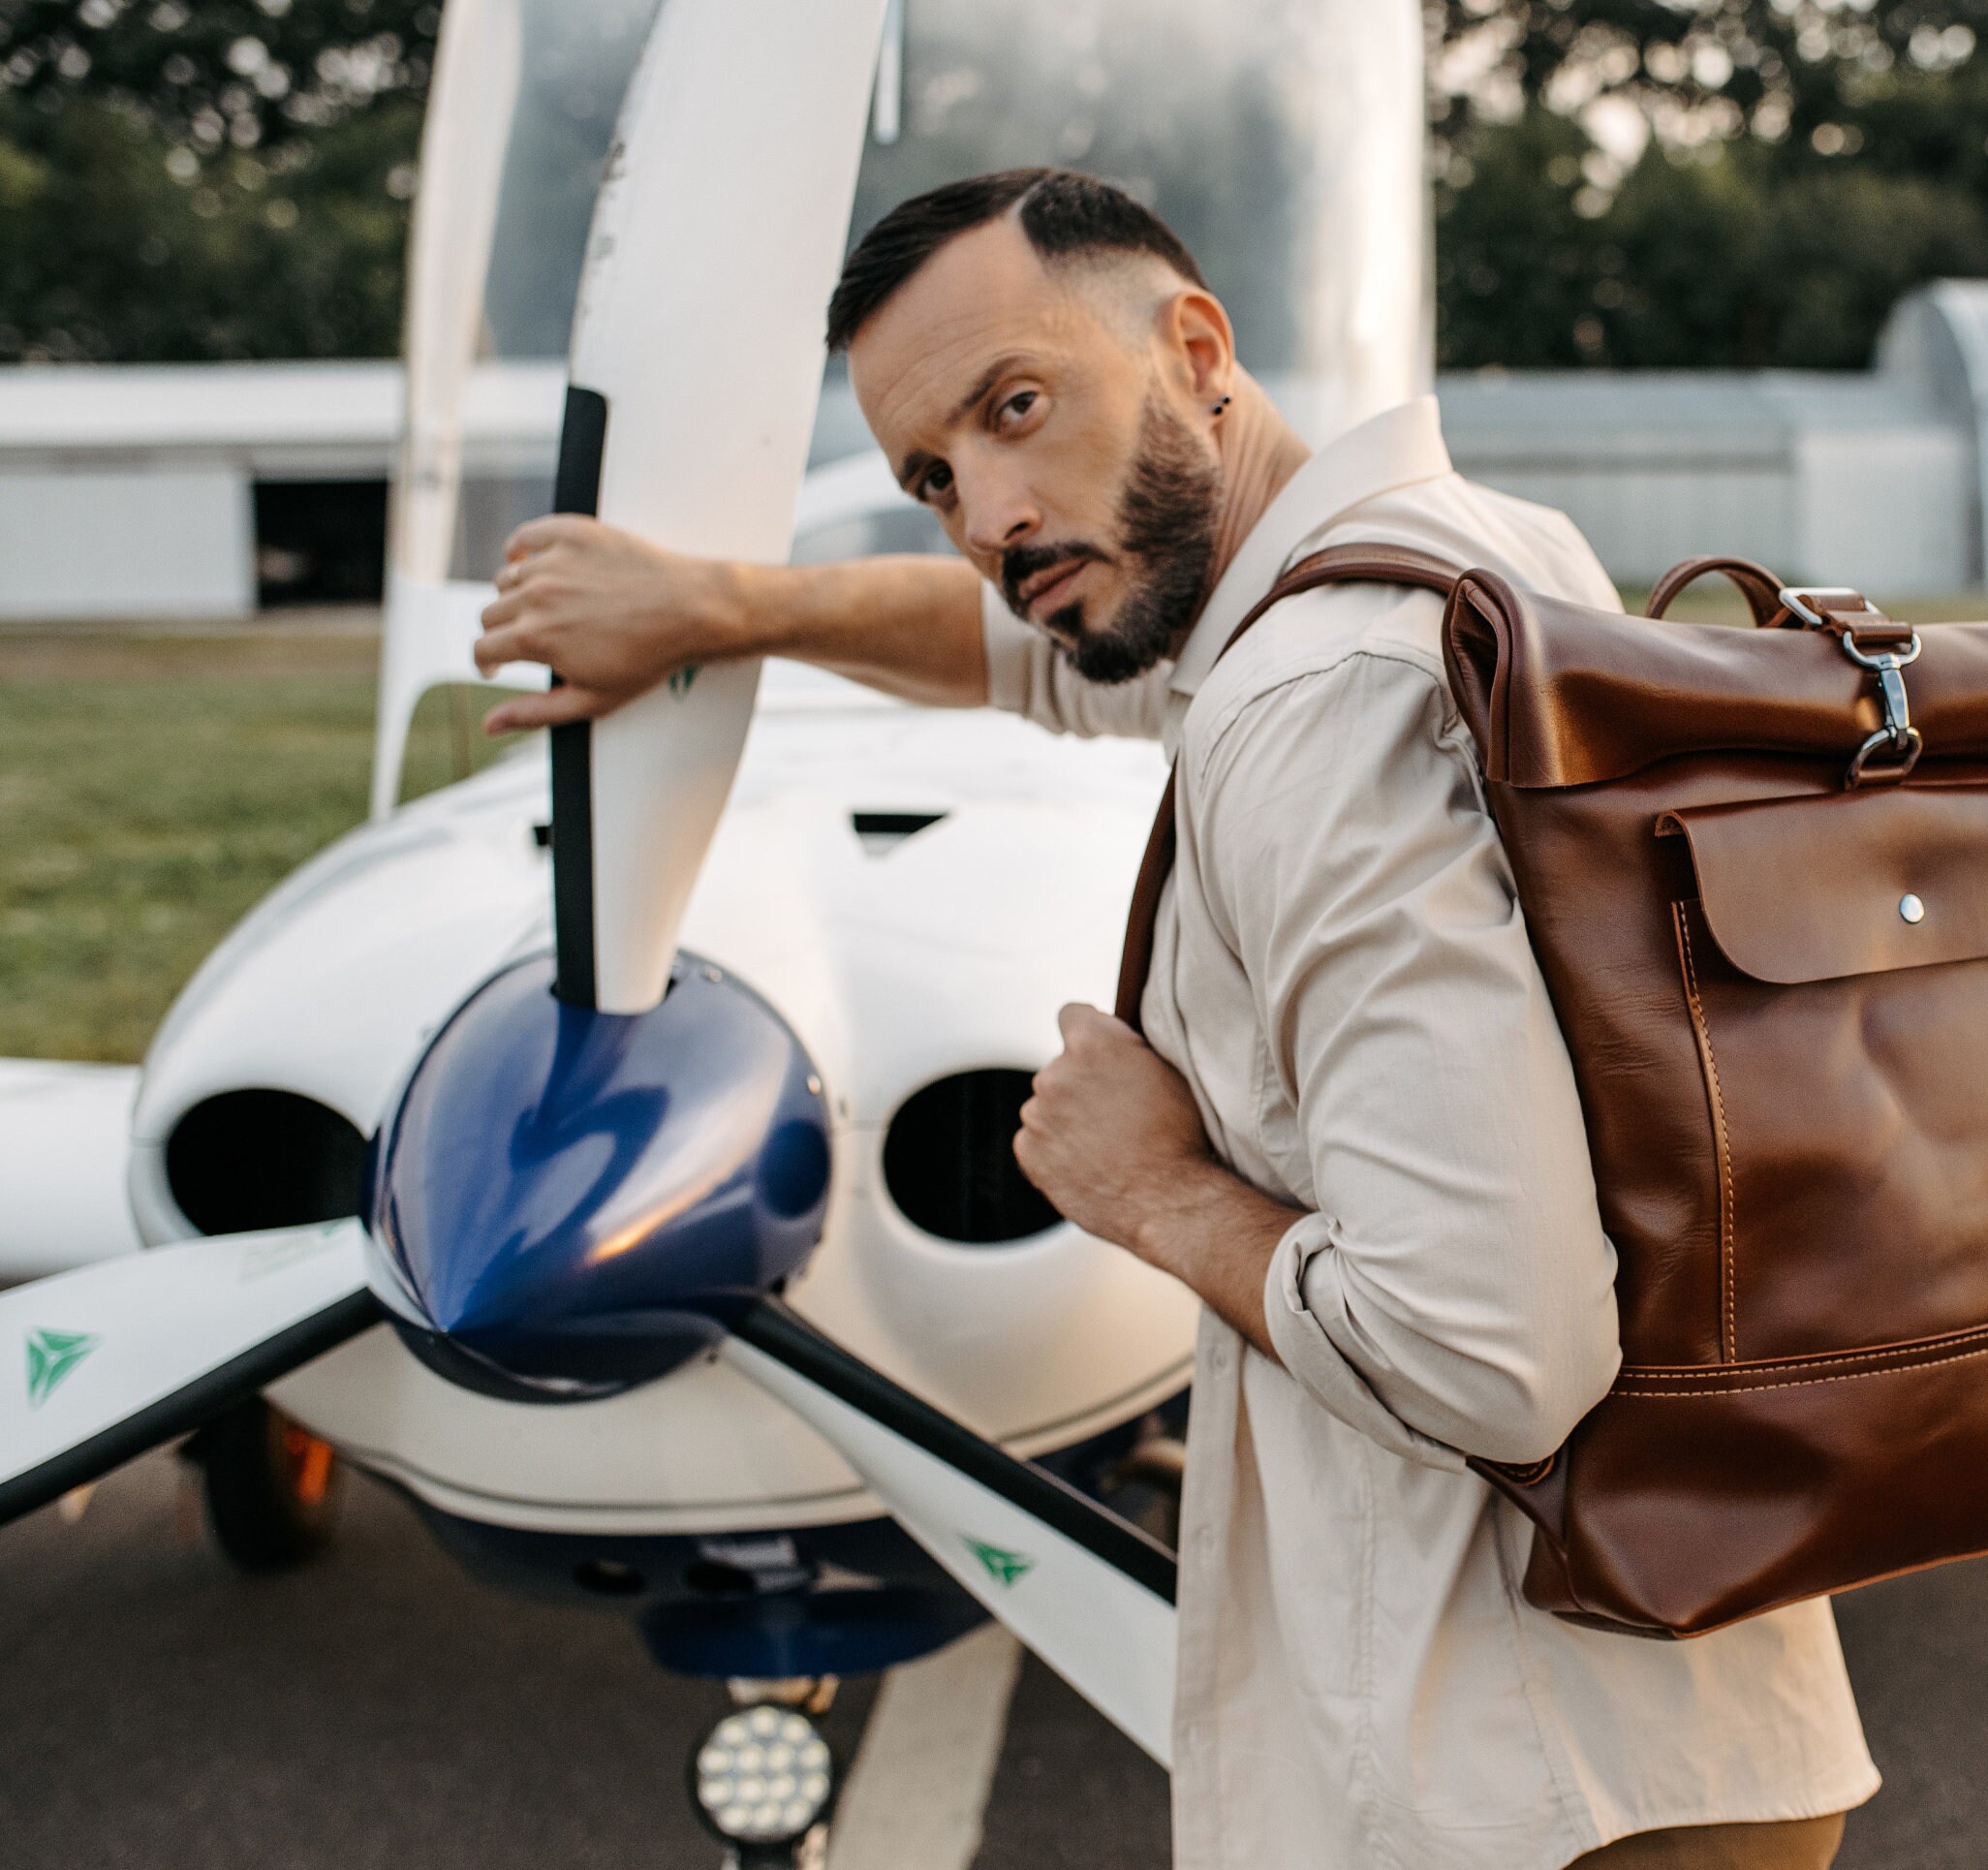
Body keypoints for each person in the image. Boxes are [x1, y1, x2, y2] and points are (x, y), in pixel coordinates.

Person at [476, 168, 1876, 1870]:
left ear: (1196, 350)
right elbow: (1041, 653)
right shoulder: (1476, 561)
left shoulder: (1313, 703)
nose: (988, 518)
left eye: (1015, 406)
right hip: (1688, 1713)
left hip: (1510, 1787)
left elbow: (1489, 1355)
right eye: (933, 477)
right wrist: (724, 607)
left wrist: (1149, 1190)